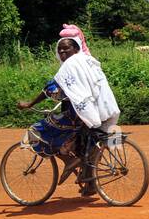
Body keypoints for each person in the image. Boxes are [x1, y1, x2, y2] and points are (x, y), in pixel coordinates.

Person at [17, 25, 122, 196]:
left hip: (80, 115)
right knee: (86, 145)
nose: (63, 51)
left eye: (67, 48)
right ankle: (90, 184)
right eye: (60, 49)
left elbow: (50, 89)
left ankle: (69, 160)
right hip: (104, 110)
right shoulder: (88, 60)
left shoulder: (69, 66)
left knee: (35, 132)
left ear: (76, 48)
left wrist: (30, 103)